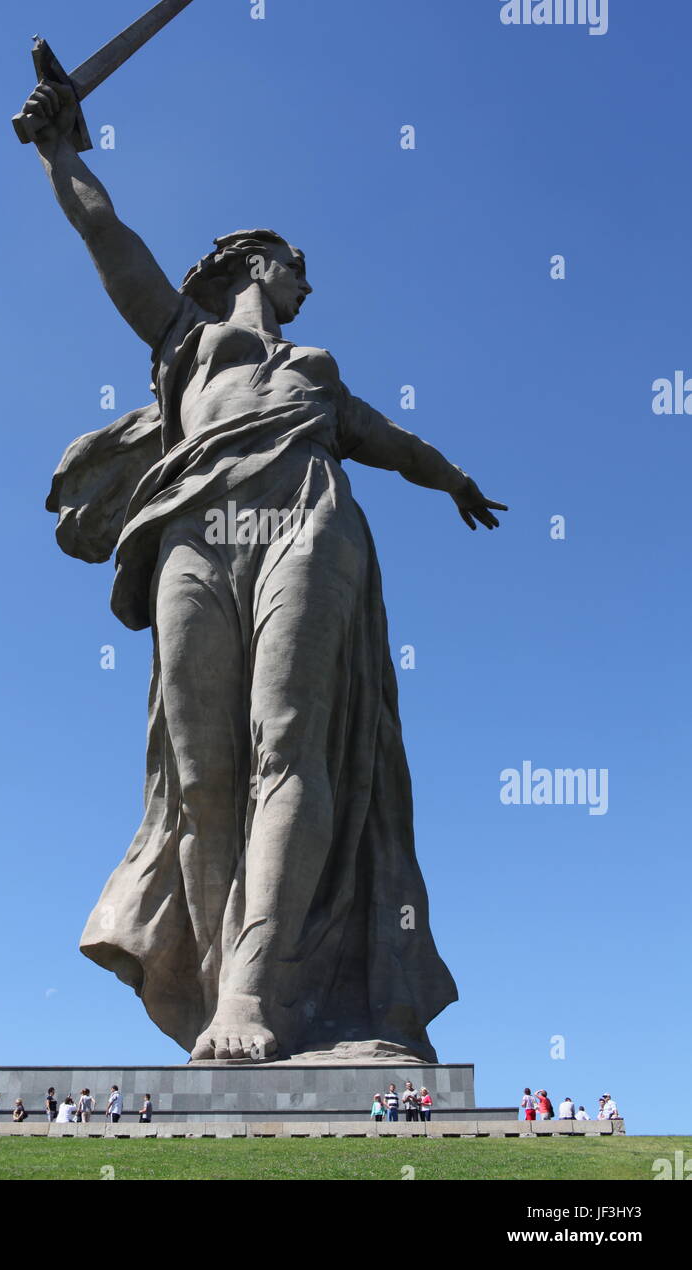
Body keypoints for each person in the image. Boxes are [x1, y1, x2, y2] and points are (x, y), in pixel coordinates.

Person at [27, 77, 505, 1066]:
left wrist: (452, 476)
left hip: (307, 526)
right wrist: (59, 153)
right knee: (201, 776)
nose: (305, 282)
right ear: (253, 260)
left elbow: (390, 441)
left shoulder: (317, 372)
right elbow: (109, 242)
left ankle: (251, 994)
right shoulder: (188, 346)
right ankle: (214, 987)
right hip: (196, 533)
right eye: (296, 263)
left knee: (290, 748)